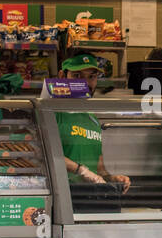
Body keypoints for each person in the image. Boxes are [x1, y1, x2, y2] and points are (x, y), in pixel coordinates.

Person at [54, 53, 130, 192]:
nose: (86, 83)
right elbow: (48, 156)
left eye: (91, 77)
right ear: (62, 76)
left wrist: (112, 178)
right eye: (77, 76)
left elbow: (99, 169)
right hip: (62, 195)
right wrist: (81, 171)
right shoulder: (53, 113)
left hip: (89, 197)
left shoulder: (92, 119)